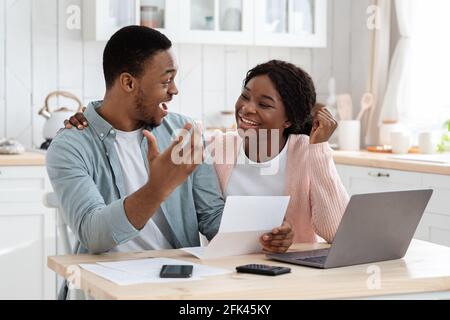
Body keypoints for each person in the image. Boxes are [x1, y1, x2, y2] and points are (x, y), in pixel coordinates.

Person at [47, 26, 292, 299]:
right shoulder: (71, 145)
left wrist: (266, 234)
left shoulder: (183, 132)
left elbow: (211, 217)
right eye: (166, 81)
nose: (174, 90)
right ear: (128, 83)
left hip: (179, 285)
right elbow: (93, 234)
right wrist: (157, 188)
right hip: (105, 287)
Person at [66, 57, 349, 248]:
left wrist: (320, 149)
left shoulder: (307, 152)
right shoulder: (214, 146)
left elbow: (337, 232)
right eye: (245, 95)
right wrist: (92, 119)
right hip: (230, 276)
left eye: (264, 104)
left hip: (294, 280)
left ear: (289, 119)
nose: (247, 108)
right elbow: (137, 125)